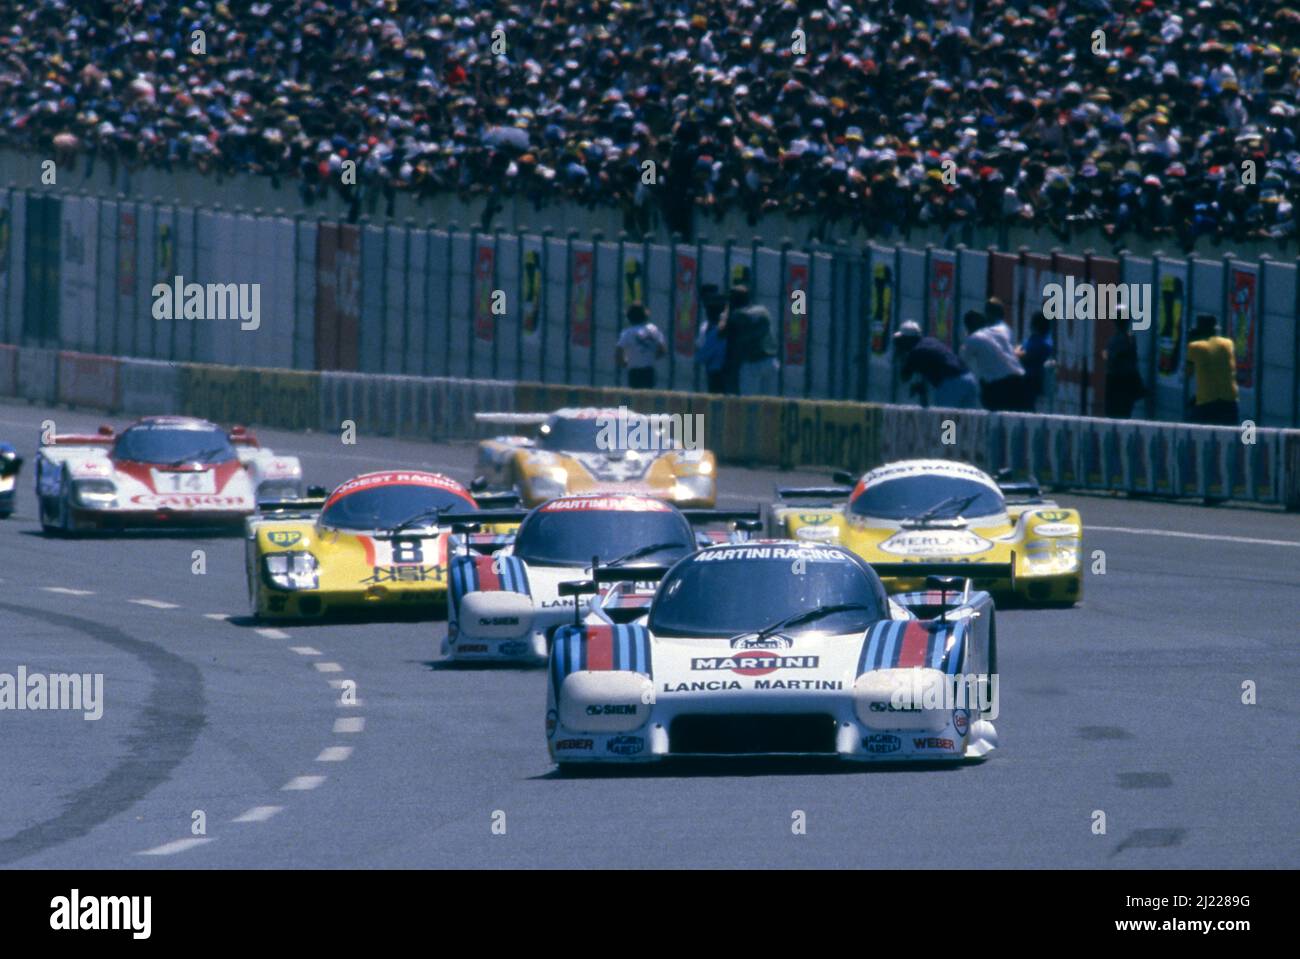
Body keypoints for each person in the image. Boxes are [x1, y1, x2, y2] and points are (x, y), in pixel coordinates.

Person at [892, 320, 980, 409]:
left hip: (952, 384)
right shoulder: (930, 341)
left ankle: (948, 423)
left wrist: (901, 354)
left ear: (908, 339)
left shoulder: (915, 352)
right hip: (969, 379)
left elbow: (904, 377)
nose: (901, 342)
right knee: (966, 420)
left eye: (902, 339)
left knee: (947, 419)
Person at [959, 310, 1029, 411]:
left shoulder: (973, 339)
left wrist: (966, 339)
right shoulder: (1002, 330)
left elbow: (961, 361)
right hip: (1020, 382)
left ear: (968, 327)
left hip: (999, 388)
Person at [722, 285, 778, 396]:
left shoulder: (737, 315)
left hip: (751, 364)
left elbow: (722, 332)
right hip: (770, 362)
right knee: (771, 404)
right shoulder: (763, 311)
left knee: (750, 404)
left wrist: (727, 310)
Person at [1185, 313, 1239, 424]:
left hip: (1207, 403)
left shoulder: (1195, 347)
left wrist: (1190, 342)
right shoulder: (1228, 344)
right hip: (1230, 401)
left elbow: (1188, 373)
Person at [1102, 316, 1146, 418]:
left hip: (1117, 382)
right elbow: (1134, 362)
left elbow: (1110, 361)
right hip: (1124, 382)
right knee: (1123, 414)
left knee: (1115, 415)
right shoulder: (1129, 339)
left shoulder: (1113, 341)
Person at [615, 302, 666, 389]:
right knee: (649, 398)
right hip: (649, 371)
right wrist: (650, 358)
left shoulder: (628, 333)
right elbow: (663, 350)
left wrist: (625, 363)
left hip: (634, 372)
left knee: (633, 398)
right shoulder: (653, 329)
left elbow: (618, 353)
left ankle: (624, 404)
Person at [695, 283, 729, 393]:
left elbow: (703, 354)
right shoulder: (731, 327)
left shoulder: (711, 330)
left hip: (716, 371)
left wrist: (698, 356)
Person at [1017, 311, 1055, 409]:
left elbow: (1021, 354)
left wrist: (1017, 352)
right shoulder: (1039, 340)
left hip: (1032, 381)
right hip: (1029, 381)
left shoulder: (1041, 343)